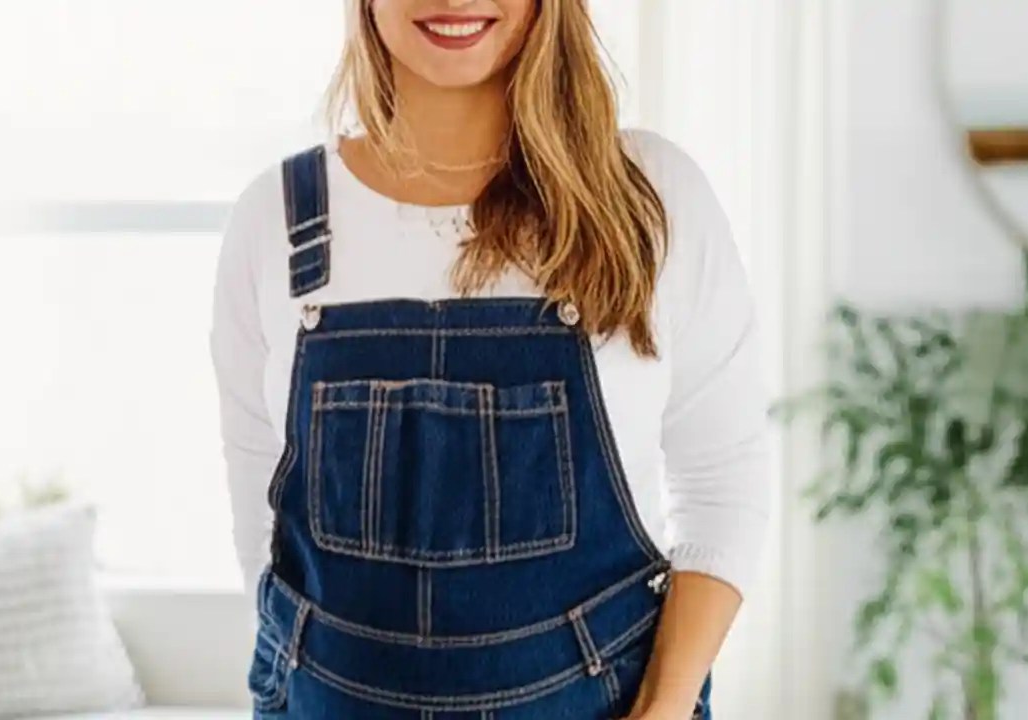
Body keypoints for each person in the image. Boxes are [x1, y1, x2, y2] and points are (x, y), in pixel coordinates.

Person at [209, 1, 770, 717]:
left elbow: (726, 487)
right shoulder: (275, 222)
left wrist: (662, 706)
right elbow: (263, 531)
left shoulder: (649, 198)